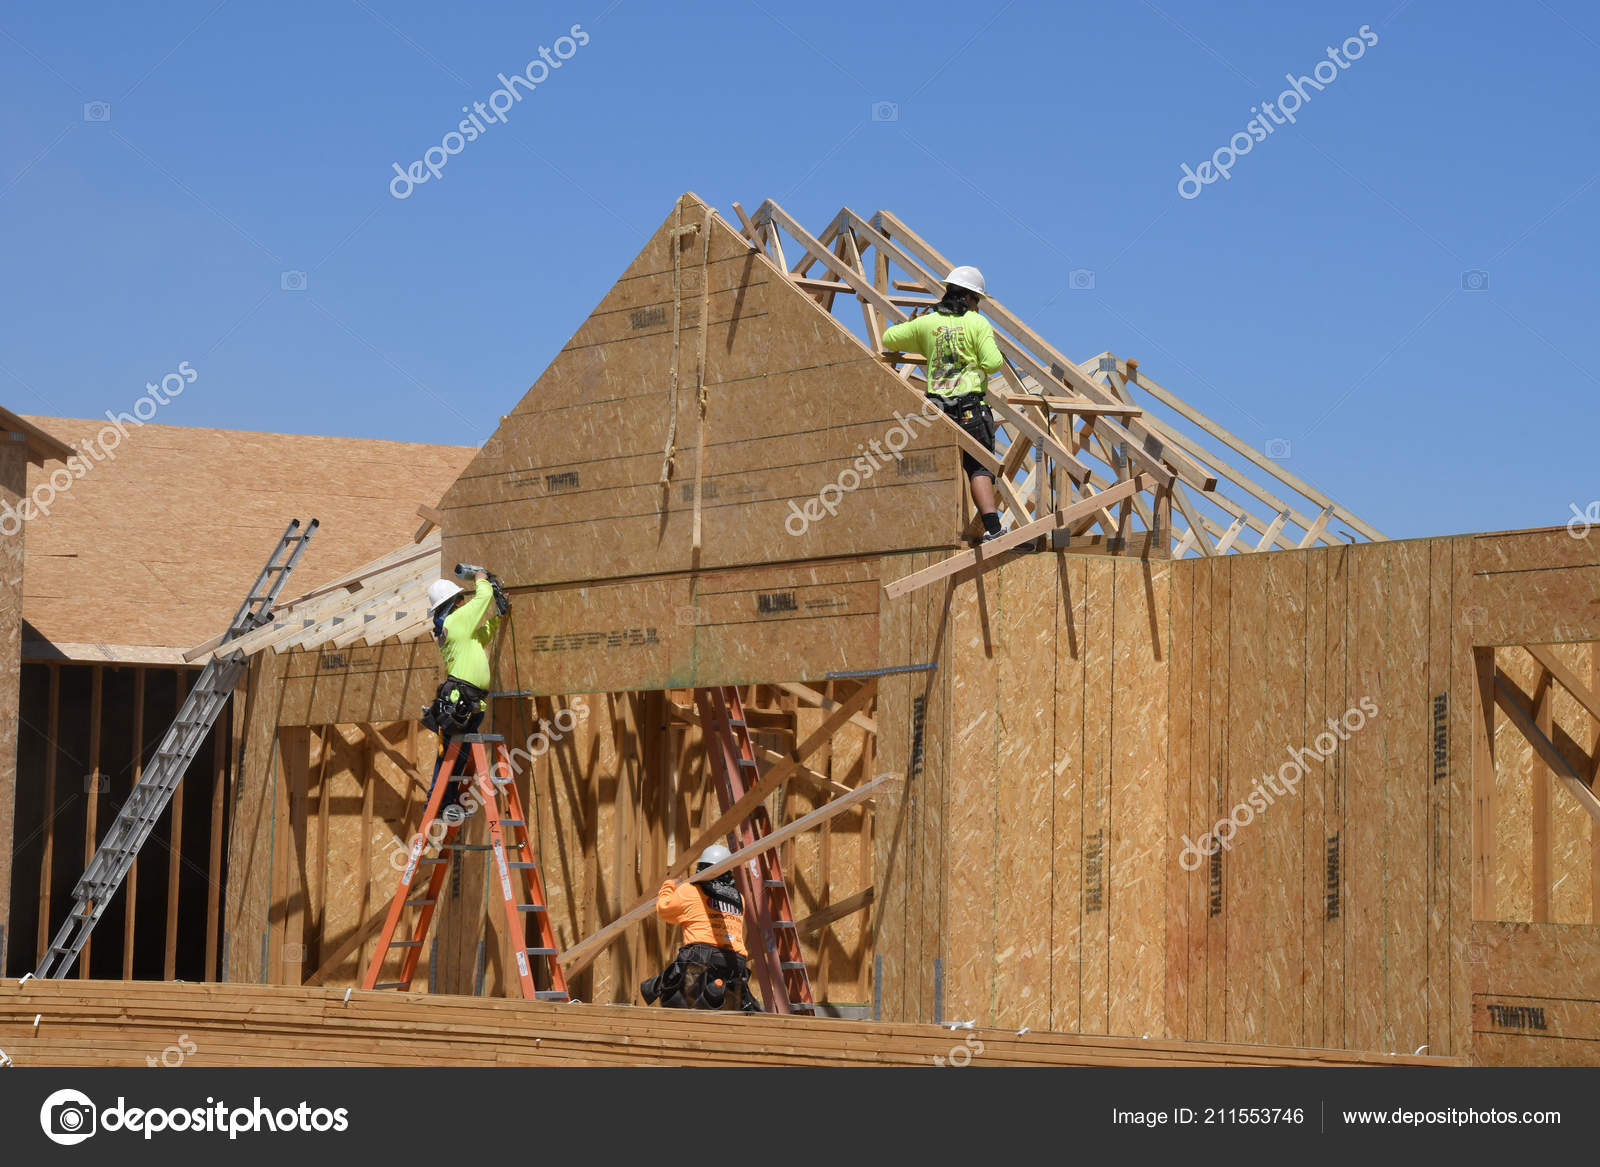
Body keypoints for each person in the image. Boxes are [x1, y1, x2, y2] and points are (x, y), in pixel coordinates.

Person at [881, 266, 1008, 543]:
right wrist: (973, 363)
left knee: (938, 468)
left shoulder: (927, 325)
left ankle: (925, 530)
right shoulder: (977, 324)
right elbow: (993, 363)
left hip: (936, 409)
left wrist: (913, 327)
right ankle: (992, 528)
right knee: (979, 468)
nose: (979, 307)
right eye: (978, 301)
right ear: (970, 298)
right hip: (970, 407)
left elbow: (888, 339)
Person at [421, 569, 503, 823]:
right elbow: (482, 599)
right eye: (460, 599)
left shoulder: (455, 629)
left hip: (467, 701)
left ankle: (443, 803)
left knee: (454, 758)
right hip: (462, 702)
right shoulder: (455, 621)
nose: (464, 603)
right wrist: (480, 578)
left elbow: (480, 638)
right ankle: (438, 803)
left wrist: (499, 617)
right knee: (450, 758)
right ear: (453, 604)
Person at [639, 844, 761, 1012]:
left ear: (701, 867)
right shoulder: (739, 897)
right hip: (735, 963)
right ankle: (713, 993)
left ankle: (710, 994)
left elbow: (665, 910)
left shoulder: (690, 890)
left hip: (701, 957)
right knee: (725, 1011)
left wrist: (670, 886)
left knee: (675, 1001)